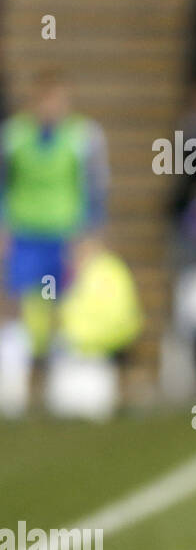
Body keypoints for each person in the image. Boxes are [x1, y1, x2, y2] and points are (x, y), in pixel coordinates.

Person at [0, 70, 109, 417]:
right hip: (23, 232)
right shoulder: (14, 136)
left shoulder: (84, 136)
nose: (51, 108)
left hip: (64, 234)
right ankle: (13, 385)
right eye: (45, 101)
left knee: (62, 308)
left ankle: (61, 389)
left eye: (57, 101)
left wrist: (91, 233)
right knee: (13, 305)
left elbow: (96, 188)